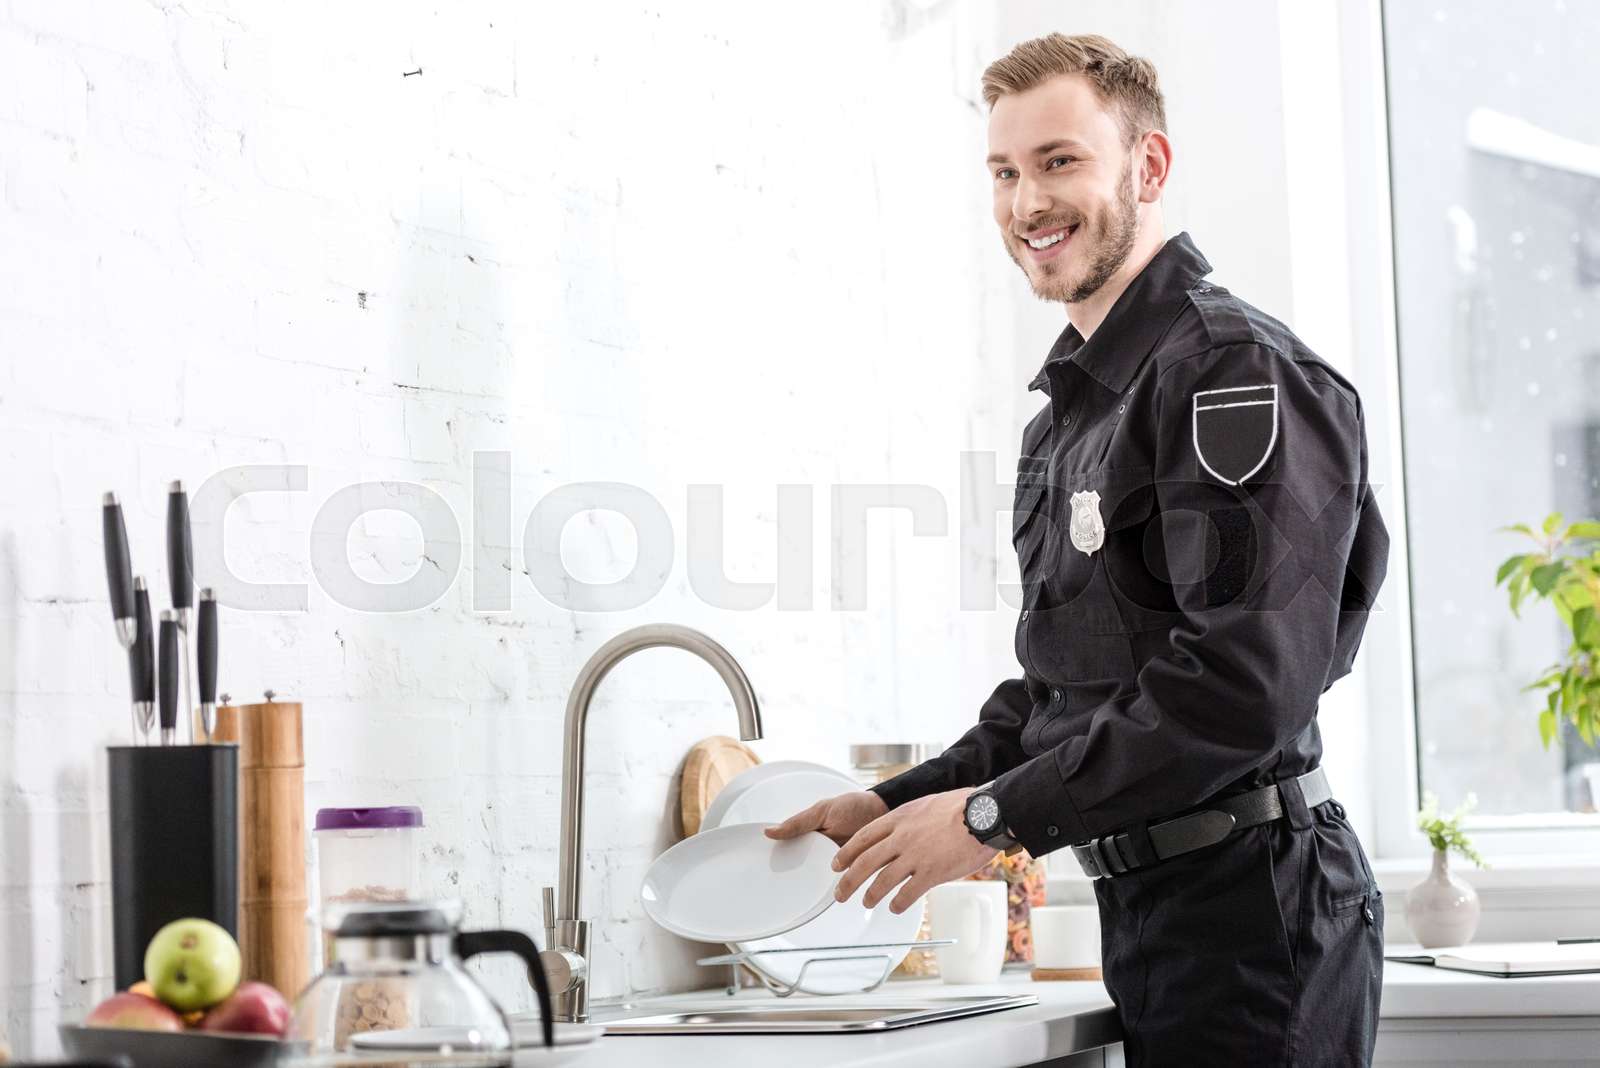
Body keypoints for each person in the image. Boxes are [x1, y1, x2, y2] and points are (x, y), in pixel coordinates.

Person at [767, 32, 1390, 1066]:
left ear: (1147, 168)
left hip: (1256, 915)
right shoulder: (1070, 417)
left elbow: (1244, 680)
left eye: (1059, 161)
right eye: (1004, 173)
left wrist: (984, 819)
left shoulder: (1230, 373)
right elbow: (1067, 691)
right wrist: (896, 804)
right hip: (1158, 913)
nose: (1026, 204)